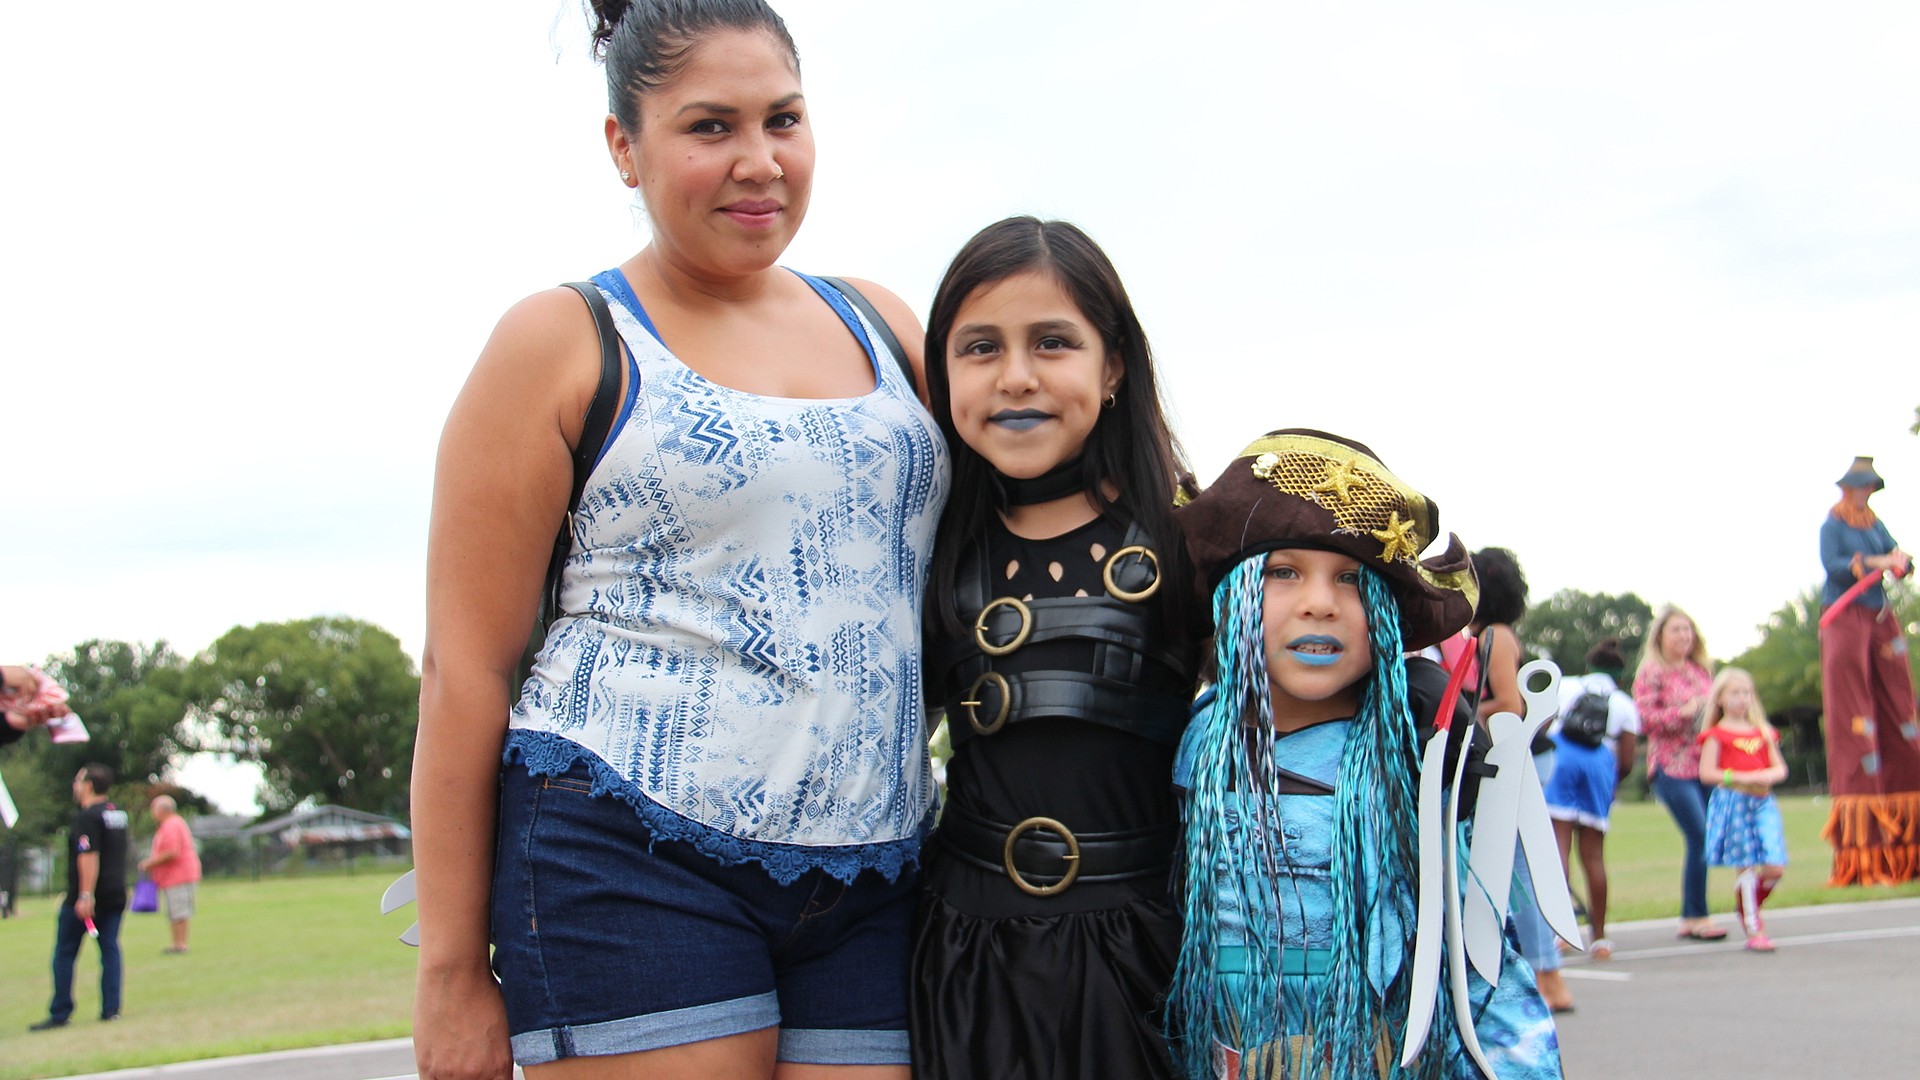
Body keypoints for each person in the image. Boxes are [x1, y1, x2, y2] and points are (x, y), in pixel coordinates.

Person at [407, 2, 949, 1077]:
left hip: (877, 869)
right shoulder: (562, 340)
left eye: (783, 120)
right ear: (624, 146)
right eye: (710, 128)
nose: (759, 162)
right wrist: (452, 974)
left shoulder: (884, 323)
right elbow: (463, 667)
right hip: (626, 856)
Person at [1167, 430, 1561, 1079]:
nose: (1319, 601)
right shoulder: (1195, 743)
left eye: (1351, 581)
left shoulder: (1417, 753)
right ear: (1230, 596)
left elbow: (1480, 960)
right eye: (1282, 571)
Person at [909, 217, 1199, 1079]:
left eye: (1053, 342)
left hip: (1148, 960)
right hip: (961, 962)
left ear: (1112, 366)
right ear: (944, 373)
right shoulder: (919, 551)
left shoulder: (1198, 544)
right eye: (980, 348)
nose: (1018, 377)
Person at [1453, 547, 1570, 1013]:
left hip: (1517, 757)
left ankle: (1549, 976)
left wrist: (1457, 716)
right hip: (1511, 758)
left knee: (1519, 866)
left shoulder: (1495, 638)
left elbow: (1509, 705)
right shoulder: (1488, 635)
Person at [1817, 455, 1919, 886]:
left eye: (1869, 487)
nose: (1864, 494)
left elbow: (1895, 553)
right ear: (1847, 488)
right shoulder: (1833, 524)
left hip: (1877, 614)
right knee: (1854, 720)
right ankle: (1864, 856)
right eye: (1860, 486)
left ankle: (1906, 851)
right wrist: (1872, 564)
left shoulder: (1873, 522)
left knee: (1901, 716)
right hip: (1844, 614)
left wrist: (1900, 561)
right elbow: (1835, 565)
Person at [1632, 605, 1726, 941]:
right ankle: (1697, 915)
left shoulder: (1701, 671)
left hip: (1704, 765)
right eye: (1676, 630)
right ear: (1661, 636)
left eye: (1688, 630)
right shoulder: (1652, 673)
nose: (1684, 636)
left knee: (1705, 837)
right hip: (1672, 766)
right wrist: (1681, 713)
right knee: (1699, 834)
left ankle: (1691, 915)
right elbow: (1642, 718)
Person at [1544, 638, 1640, 962]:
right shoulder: (1624, 703)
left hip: (1563, 756)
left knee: (1559, 846)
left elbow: (1544, 723)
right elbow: (1626, 760)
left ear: (1589, 667)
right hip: (1599, 763)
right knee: (1594, 856)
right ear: (1619, 676)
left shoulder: (1568, 685)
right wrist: (1610, 785)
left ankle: (1561, 933)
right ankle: (1599, 938)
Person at [30, 764, 129, 1030]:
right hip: (116, 893)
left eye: (77, 780)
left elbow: (89, 855)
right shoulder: (117, 813)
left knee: (64, 952)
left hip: (88, 898)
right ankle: (111, 1009)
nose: (74, 785)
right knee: (109, 949)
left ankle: (60, 1012)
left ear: (88, 785)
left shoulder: (87, 817)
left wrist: (85, 895)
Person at [1697, 668, 1789, 952]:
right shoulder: (1717, 735)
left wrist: (1767, 776)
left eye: (1745, 693)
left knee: (1774, 866)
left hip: (1762, 803)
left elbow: (1780, 768)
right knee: (1746, 861)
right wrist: (1740, 777)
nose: (1741, 699)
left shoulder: (1762, 732)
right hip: (1734, 803)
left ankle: (1747, 904)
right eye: (1734, 693)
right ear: (1720, 699)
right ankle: (1754, 926)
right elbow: (1707, 773)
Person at [139, 795, 202, 954]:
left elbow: (172, 852)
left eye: (153, 808)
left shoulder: (171, 825)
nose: (152, 812)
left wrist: (150, 862)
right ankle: (177, 943)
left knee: (179, 911)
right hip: (173, 876)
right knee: (175, 911)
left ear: (162, 809)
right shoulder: (170, 824)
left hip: (179, 875)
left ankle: (180, 944)